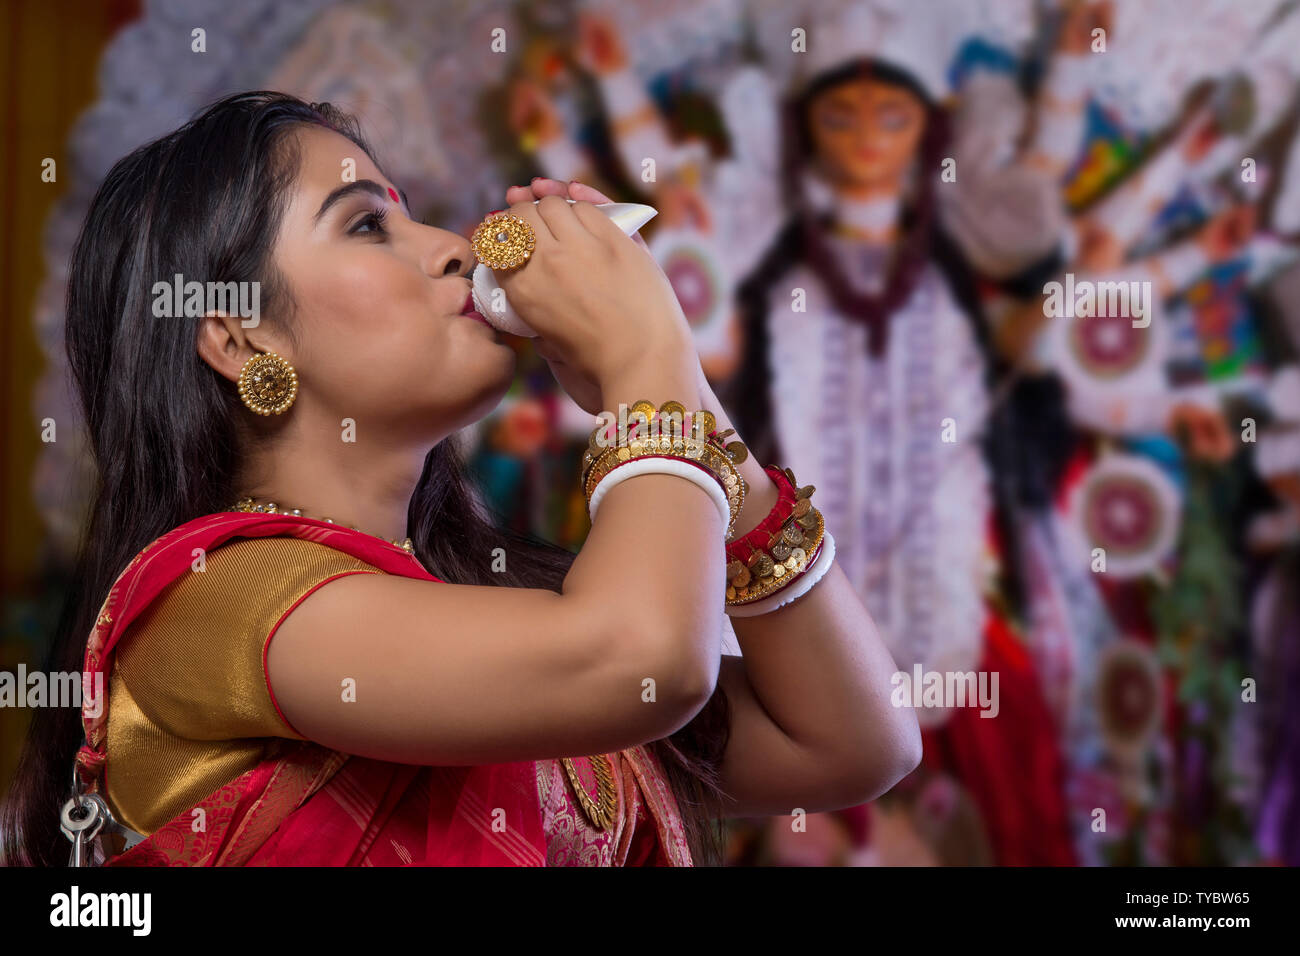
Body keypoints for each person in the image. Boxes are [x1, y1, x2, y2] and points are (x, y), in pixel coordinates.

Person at [0, 90, 920, 867]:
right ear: (243, 337)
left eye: (408, 212)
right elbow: (639, 658)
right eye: (367, 224)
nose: (451, 245)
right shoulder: (214, 597)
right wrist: (646, 359)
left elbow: (853, 740)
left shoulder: (507, 609)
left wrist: (686, 398)